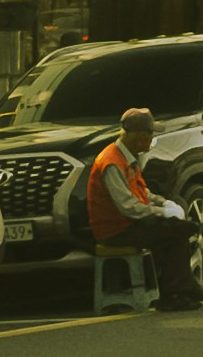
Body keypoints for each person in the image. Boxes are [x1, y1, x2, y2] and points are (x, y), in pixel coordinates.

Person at [79, 106, 189, 313]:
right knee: (175, 234)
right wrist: (161, 213)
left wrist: (163, 203)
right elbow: (128, 207)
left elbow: (142, 192)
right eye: (150, 134)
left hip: (127, 224)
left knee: (179, 225)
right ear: (140, 137)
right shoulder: (111, 162)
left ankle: (176, 292)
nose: (152, 139)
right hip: (115, 230)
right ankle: (172, 295)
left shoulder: (127, 157)